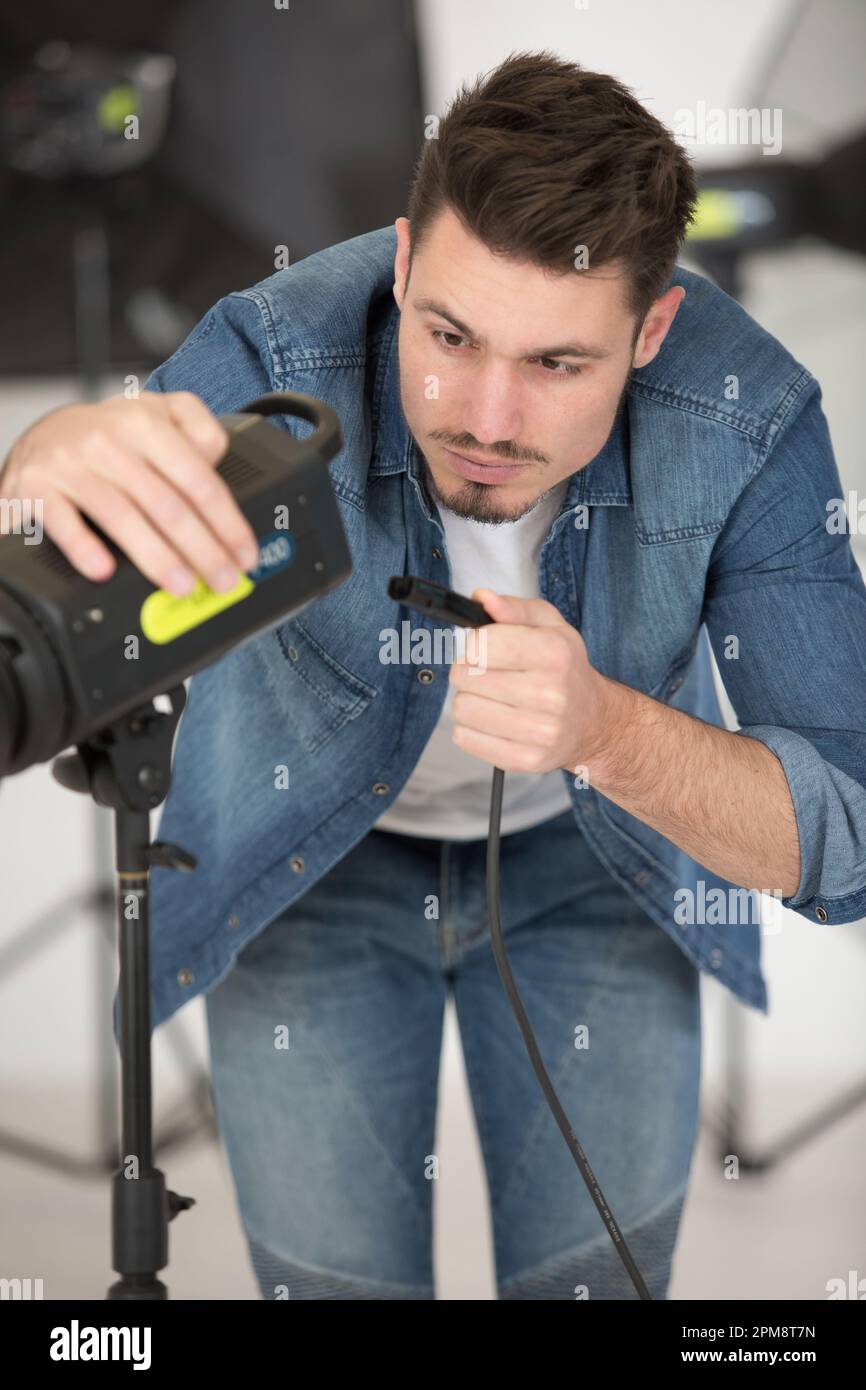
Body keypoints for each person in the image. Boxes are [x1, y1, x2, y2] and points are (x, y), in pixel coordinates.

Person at [3, 50, 866, 1300]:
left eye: (558, 364)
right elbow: (76, 520)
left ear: (653, 326)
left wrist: (607, 733)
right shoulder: (275, 346)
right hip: (308, 867)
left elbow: (845, 840)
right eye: (448, 333)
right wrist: (41, 457)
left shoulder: (749, 415)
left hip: (601, 867)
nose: (486, 415)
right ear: (403, 264)